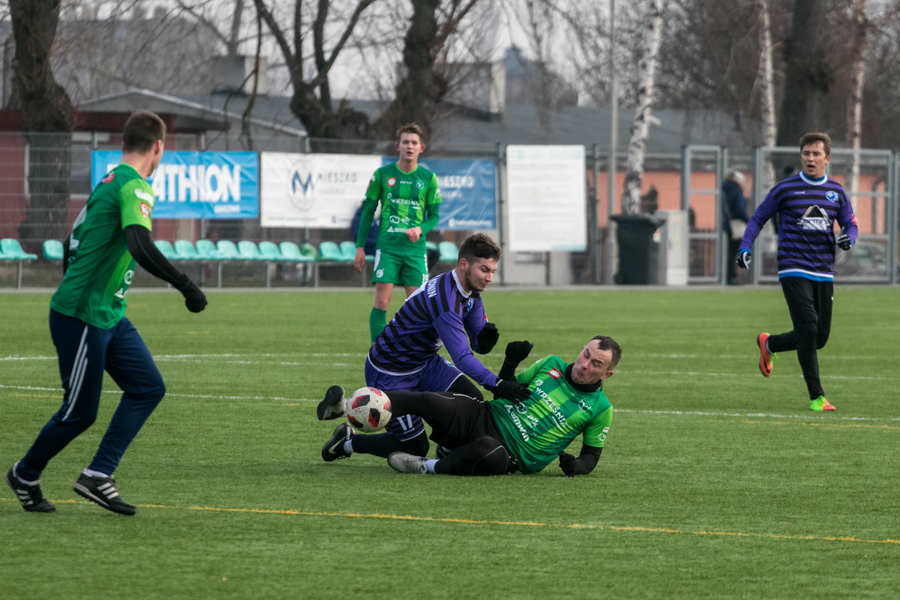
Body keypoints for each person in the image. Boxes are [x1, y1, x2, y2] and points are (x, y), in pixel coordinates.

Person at [6, 110, 208, 515]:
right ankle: (25, 473)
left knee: (148, 387)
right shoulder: (135, 187)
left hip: (107, 313)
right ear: (158, 147)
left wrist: (86, 285)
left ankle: (99, 474)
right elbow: (140, 244)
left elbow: (69, 242)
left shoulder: (108, 181)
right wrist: (187, 286)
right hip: (83, 316)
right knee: (80, 413)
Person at [317, 233, 530, 461]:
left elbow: (476, 343)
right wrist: (498, 384)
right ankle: (346, 442)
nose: (489, 277)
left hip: (426, 364)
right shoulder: (446, 300)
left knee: (474, 404)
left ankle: (447, 451)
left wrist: (484, 341)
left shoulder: (471, 292)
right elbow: (462, 358)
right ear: (464, 264)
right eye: (485, 270)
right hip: (390, 371)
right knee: (415, 447)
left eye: (493, 271)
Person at [323, 335, 620, 477]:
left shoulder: (600, 408)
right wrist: (511, 363)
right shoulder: (552, 365)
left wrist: (577, 466)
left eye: (596, 363)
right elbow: (507, 392)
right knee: (426, 401)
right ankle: (349, 406)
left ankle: (427, 466)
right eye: (585, 354)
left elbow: (591, 456)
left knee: (488, 451)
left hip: (508, 455)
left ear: (606, 374)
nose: (584, 364)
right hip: (484, 417)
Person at [736, 132, 857, 412]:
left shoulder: (836, 192)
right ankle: (817, 397)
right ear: (800, 156)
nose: (810, 158)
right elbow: (758, 217)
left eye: (816, 154)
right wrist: (745, 245)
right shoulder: (785, 189)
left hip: (824, 271)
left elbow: (850, 224)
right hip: (792, 267)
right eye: (806, 154)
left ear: (827, 158)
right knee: (808, 328)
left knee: (818, 338)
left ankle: (770, 345)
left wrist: (849, 238)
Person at [355, 123, 442, 343]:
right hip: (388, 248)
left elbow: (434, 216)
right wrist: (360, 247)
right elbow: (367, 212)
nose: (409, 146)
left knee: (419, 306)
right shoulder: (382, 175)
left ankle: (417, 356)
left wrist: (420, 228)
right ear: (397, 146)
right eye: (405, 142)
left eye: (414, 143)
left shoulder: (428, 179)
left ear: (421, 148)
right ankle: (378, 355)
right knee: (382, 302)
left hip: (415, 251)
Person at [721, 169, 750, 285]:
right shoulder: (737, 191)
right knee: (734, 253)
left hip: (728, 225)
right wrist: (747, 220)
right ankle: (732, 277)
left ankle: (729, 276)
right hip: (736, 226)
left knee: (730, 253)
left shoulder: (724, 191)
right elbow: (739, 209)